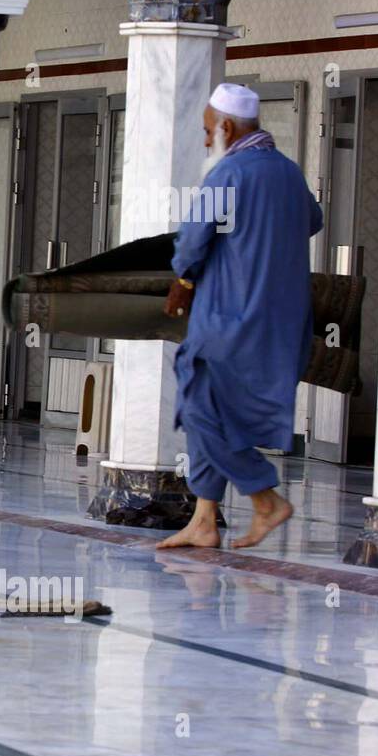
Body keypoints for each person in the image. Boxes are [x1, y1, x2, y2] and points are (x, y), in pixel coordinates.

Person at [159, 83, 323, 550]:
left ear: (226, 127)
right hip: (283, 320)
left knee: (196, 401)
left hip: (230, 315)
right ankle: (205, 519)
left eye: (208, 130)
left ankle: (265, 497)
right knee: (215, 408)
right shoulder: (289, 173)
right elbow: (312, 220)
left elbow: (193, 239)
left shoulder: (227, 173)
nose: (207, 138)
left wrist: (184, 279)